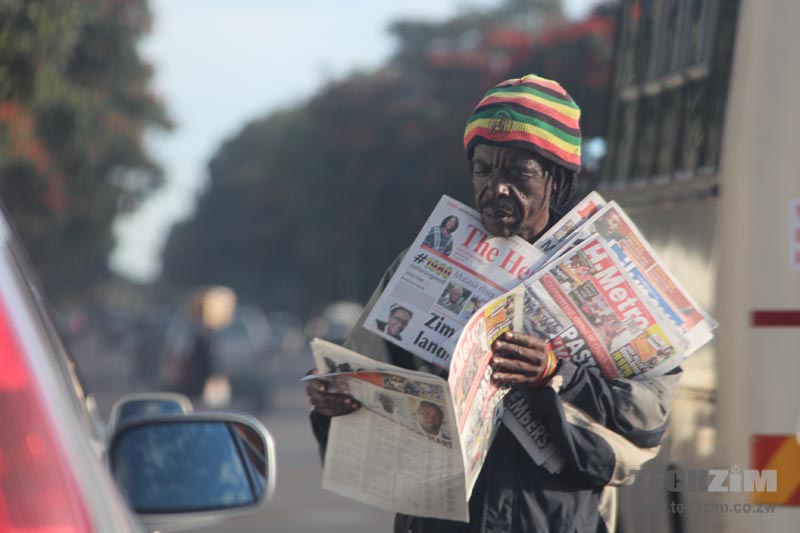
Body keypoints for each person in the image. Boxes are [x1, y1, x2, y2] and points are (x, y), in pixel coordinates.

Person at [306, 74, 681, 532]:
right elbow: (365, 375)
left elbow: (648, 421)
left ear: (558, 181)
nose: (496, 188)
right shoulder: (422, 263)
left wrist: (556, 375)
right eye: (484, 171)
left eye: (518, 174)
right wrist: (335, 402)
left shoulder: (609, 274)